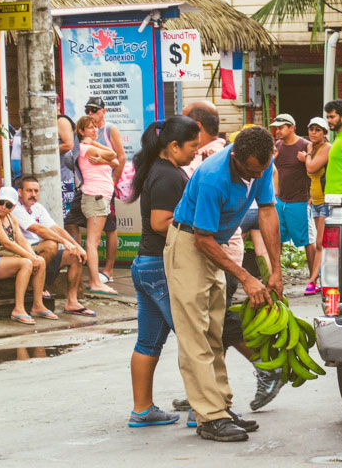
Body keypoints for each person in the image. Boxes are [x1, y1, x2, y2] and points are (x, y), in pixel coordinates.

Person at [166, 127, 283, 442]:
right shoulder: (212, 177)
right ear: (236, 158)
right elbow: (202, 239)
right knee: (195, 333)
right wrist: (246, 277)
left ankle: (221, 406)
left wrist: (275, 270)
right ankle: (209, 417)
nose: (256, 176)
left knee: (215, 330)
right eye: (251, 171)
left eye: (261, 170)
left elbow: (268, 211)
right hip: (190, 242)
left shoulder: (262, 163)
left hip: (215, 243)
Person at [125, 116, 199, 428]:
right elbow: (160, 222)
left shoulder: (160, 168)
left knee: (148, 342)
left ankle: (143, 410)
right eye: (192, 146)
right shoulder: (168, 175)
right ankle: (203, 408)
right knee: (193, 336)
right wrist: (200, 230)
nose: (196, 151)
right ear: (173, 146)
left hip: (146, 265)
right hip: (160, 267)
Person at [0, 186, 53, 325]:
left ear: (13, 207)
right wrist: (30, 258)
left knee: (41, 261)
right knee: (26, 263)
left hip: (0, 259)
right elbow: (6, 243)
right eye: (1, 202)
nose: (3, 207)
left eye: (8, 205)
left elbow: (21, 240)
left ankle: (38, 305)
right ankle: (18, 309)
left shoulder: (10, 217)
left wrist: (34, 256)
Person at [12, 175, 94, 317]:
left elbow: (56, 228)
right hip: (25, 252)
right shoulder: (15, 208)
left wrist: (76, 246)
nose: (33, 195)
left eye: (36, 191)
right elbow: (39, 229)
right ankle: (35, 284)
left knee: (76, 256)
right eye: (29, 191)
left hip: (41, 252)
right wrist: (64, 242)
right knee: (51, 244)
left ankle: (72, 302)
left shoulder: (38, 208)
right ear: (19, 192)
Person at [76, 114, 121, 296]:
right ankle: (94, 281)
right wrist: (101, 152)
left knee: (94, 241)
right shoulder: (85, 147)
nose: (94, 130)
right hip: (95, 195)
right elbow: (113, 155)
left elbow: (115, 161)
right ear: (81, 131)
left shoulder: (91, 146)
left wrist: (103, 159)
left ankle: (95, 280)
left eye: (96, 127)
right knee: (93, 242)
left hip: (101, 196)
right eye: (90, 128)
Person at [84, 97, 126, 281]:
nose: (91, 113)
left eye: (95, 110)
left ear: (103, 111)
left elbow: (120, 157)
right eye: (88, 110)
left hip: (105, 186)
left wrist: (113, 182)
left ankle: (108, 270)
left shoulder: (109, 129)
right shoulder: (86, 131)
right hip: (89, 185)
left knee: (110, 227)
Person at [270, 113, 314, 277]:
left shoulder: (306, 145)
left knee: (307, 240)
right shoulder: (277, 146)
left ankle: (313, 278)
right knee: (276, 239)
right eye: (276, 128)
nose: (278, 131)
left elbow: (315, 171)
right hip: (280, 200)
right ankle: (276, 275)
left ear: (292, 127)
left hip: (300, 201)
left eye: (281, 128)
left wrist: (311, 195)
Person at [304, 117, 331, 295]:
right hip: (315, 200)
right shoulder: (312, 148)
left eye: (318, 129)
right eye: (311, 129)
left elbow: (312, 168)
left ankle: (313, 280)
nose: (314, 132)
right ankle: (320, 277)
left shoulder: (326, 148)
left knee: (321, 243)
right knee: (319, 242)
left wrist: (306, 155)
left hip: (325, 201)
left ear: (324, 133)